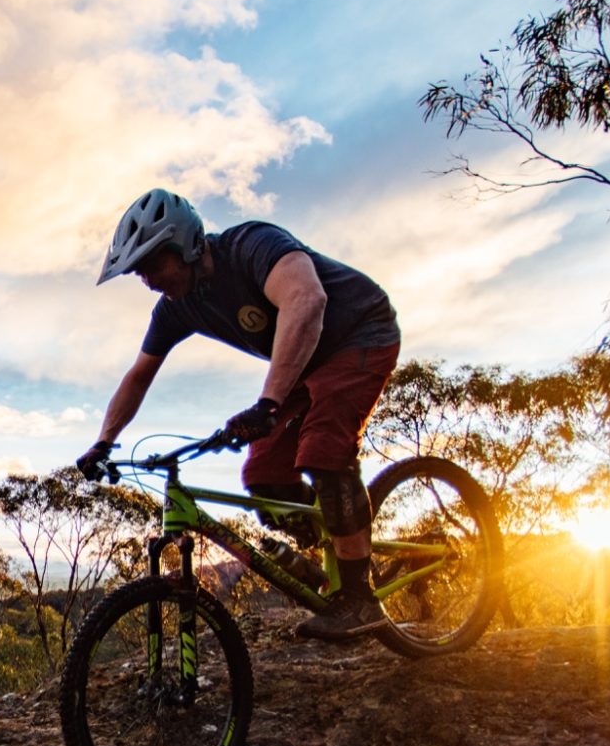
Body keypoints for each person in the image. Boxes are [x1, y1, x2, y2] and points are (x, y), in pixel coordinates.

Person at [76, 188, 401, 643]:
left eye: (153, 264)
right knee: (264, 472)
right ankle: (326, 553)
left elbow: (307, 301)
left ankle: (359, 599)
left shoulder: (253, 246)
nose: (148, 280)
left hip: (359, 332)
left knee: (324, 449)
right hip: (305, 360)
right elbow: (139, 375)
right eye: (139, 271)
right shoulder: (176, 307)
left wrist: (268, 404)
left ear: (185, 243)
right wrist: (103, 442)